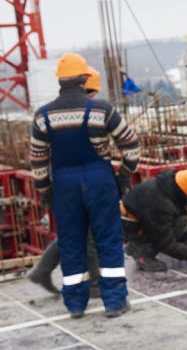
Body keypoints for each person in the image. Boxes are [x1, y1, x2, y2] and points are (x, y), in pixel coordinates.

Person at [29, 54, 140, 318]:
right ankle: (114, 302)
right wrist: (124, 176)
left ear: (60, 80)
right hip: (99, 180)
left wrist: (45, 191)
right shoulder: (102, 110)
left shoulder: (42, 116)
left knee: (71, 243)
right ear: (84, 79)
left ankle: (76, 305)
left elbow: (38, 160)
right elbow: (132, 146)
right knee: (108, 241)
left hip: (64, 185)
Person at [27, 66, 116, 298]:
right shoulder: (88, 113)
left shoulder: (54, 114)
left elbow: (40, 156)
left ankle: (42, 271)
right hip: (84, 182)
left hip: (68, 181)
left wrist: (45, 187)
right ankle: (95, 285)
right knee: (88, 234)